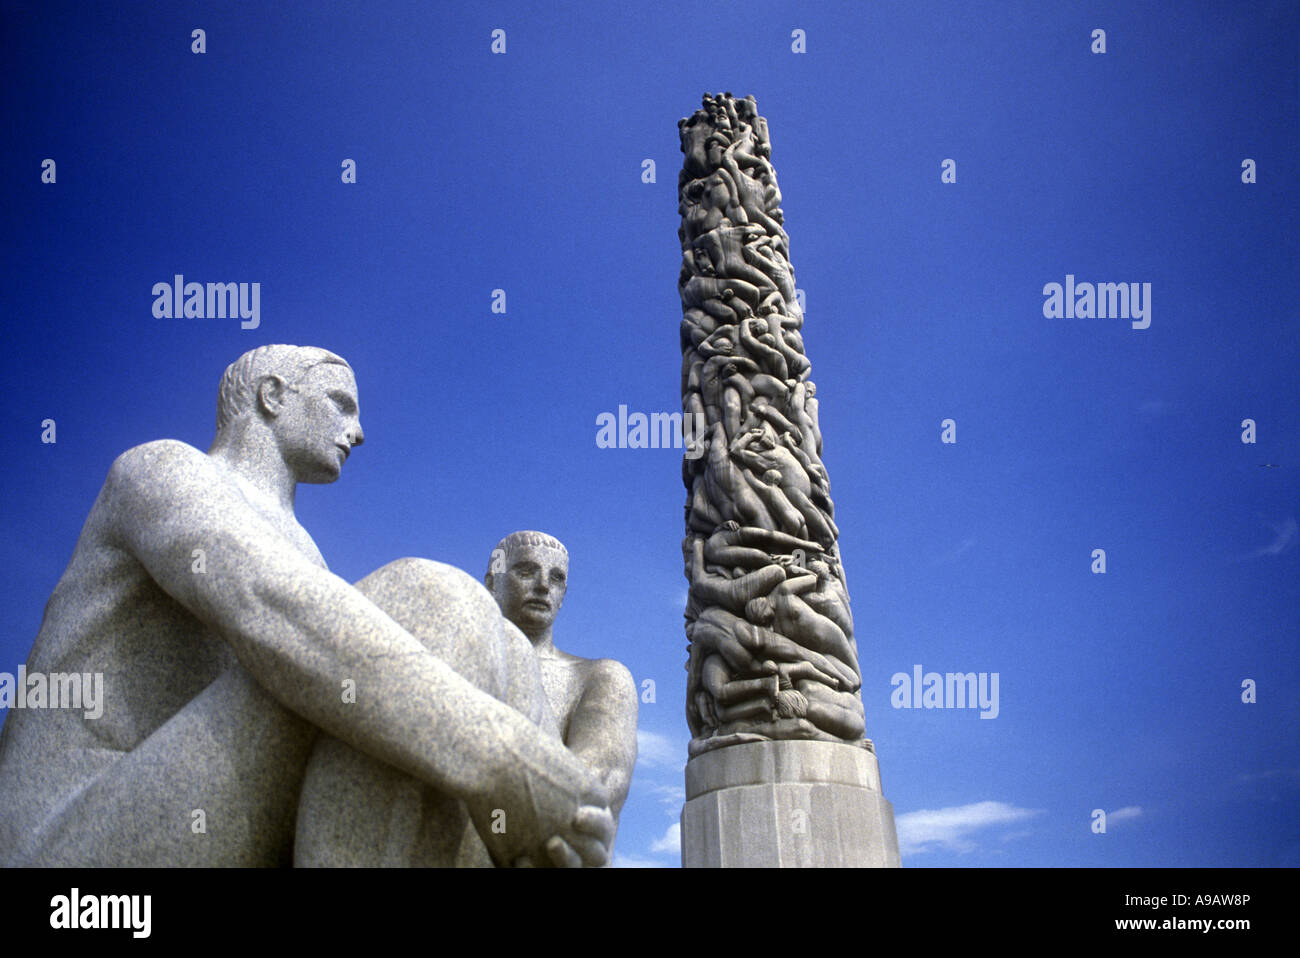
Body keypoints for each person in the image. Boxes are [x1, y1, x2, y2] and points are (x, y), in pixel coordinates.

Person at [0, 345, 611, 867]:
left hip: (206, 820)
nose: (360, 430)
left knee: (502, 644)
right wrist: (501, 754)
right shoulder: (162, 468)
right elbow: (267, 605)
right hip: (73, 854)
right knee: (432, 598)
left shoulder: (305, 549)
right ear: (272, 395)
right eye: (342, 404)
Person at [484, 532, 638, 829]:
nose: (543, 586)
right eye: (526, 572)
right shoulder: (464, 664)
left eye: (555, 579)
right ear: (492, 584)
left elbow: (597, 785)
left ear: (563, 595)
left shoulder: (600, 676)